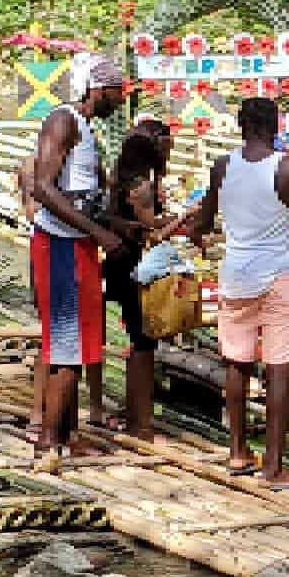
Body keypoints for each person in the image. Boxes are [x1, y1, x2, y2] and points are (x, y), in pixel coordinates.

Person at [176, 96, 289, 488]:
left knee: (237, 362)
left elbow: (204, 220)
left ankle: (238, 452)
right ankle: (274, 467)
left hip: (235, 277)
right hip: (276, 276)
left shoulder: (223, 167)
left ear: (241, 126)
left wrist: (195, 235)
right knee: (280, 367)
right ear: (275, 126)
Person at [27, 52, 126, 471]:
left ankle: (68, 436)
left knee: (81, 344)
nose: (120, 99)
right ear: (96, 90)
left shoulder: (84, 128)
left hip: (78, 243)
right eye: (116, 91)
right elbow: (42, 187)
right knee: (67, 347)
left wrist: (113, 226)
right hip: (60, 245)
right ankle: (48, 443)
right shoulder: (62, 121)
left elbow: (80, 196)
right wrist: (99, 233)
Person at [101, 114, 174, 439]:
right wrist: (185, 219)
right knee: (144, 345)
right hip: (132, 267)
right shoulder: (141, 186)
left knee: (136, 341)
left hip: (116, 265)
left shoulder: (118, 183)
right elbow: (151, 231)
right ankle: (140, 422)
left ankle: (133, 414)